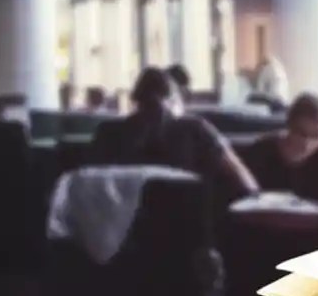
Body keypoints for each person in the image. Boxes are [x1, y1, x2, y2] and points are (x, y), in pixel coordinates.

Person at [90, 67, 258, 200]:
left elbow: (88, 188)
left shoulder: (108, 132)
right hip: (189, 234)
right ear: (175, 100)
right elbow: (245, 183)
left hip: (116, 238)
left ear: (135, 101)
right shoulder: (196, 130)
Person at [242, 93, 318, 204]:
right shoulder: (263, 150)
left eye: (316, 136)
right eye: (301, 134)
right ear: (289, 127)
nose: (307, 143)